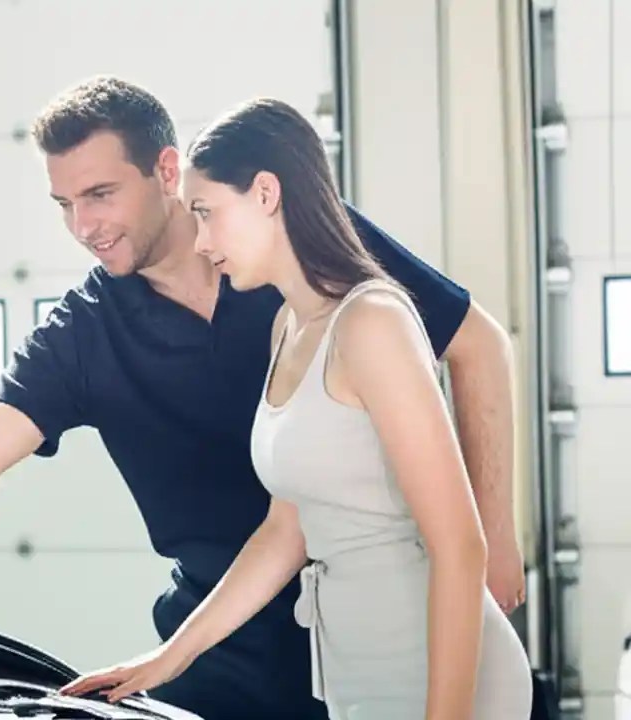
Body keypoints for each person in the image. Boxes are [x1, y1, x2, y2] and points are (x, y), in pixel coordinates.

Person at [0, 77, 525, 720]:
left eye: (99, 193)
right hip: (231, 652)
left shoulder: (302, 258)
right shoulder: (92, 330)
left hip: (397, 621)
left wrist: (492, 549)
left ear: (166, 171)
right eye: (64, 204)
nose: (83, 226)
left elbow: (477, 345)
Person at [56, 97, 533, 718]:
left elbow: (460, 545)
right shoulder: (288, 326)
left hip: (437, 668)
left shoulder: (372, 323)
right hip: (354, 666)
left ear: (265, 193)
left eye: (207, 214)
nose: (199, 242)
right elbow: (286, 530)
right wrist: (166, 659)